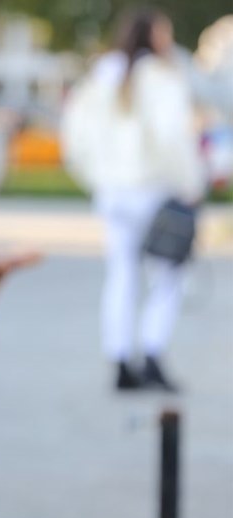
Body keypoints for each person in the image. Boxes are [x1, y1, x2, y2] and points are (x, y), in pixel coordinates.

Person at [60, 7, 207, 392]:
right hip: (155, 190)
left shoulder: (102, 74)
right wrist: (191, 183)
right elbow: (174, 137)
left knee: (121, 275)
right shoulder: (162, 75)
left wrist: (94, 177)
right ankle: (153, 352)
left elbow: (74, 133)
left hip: (113, 194)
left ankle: (120, 357)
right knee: (167, 276)